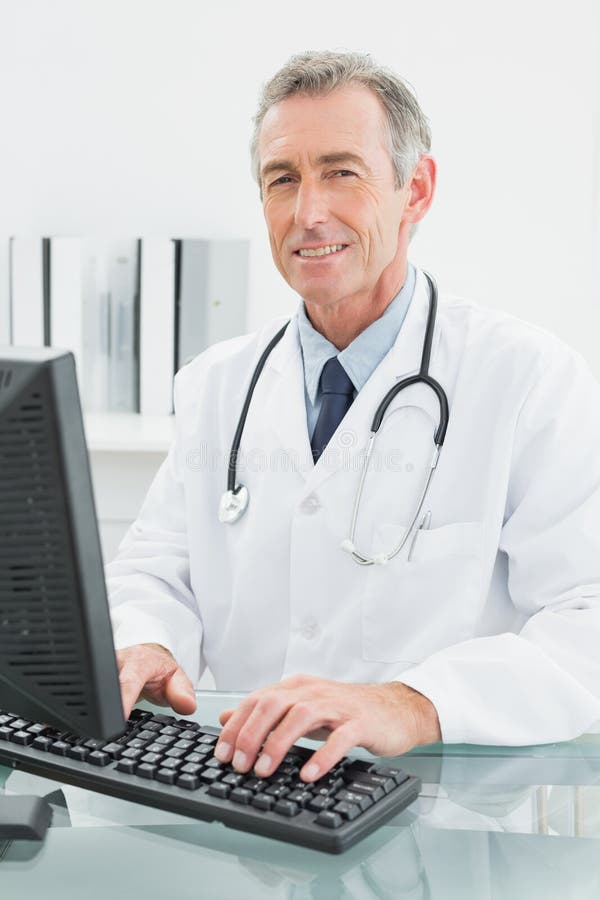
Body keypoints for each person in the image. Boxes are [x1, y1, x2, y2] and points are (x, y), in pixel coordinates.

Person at [107, 50, 600, 785]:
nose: (309, 212)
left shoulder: (526, 377)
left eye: (341, 171)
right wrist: (146, 641)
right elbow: (155, 571)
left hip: (440, 817)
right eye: (283, 179)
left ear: (416, 190)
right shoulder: (215, 386)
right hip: (242, 797)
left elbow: (586, 619)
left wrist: (416, 702)